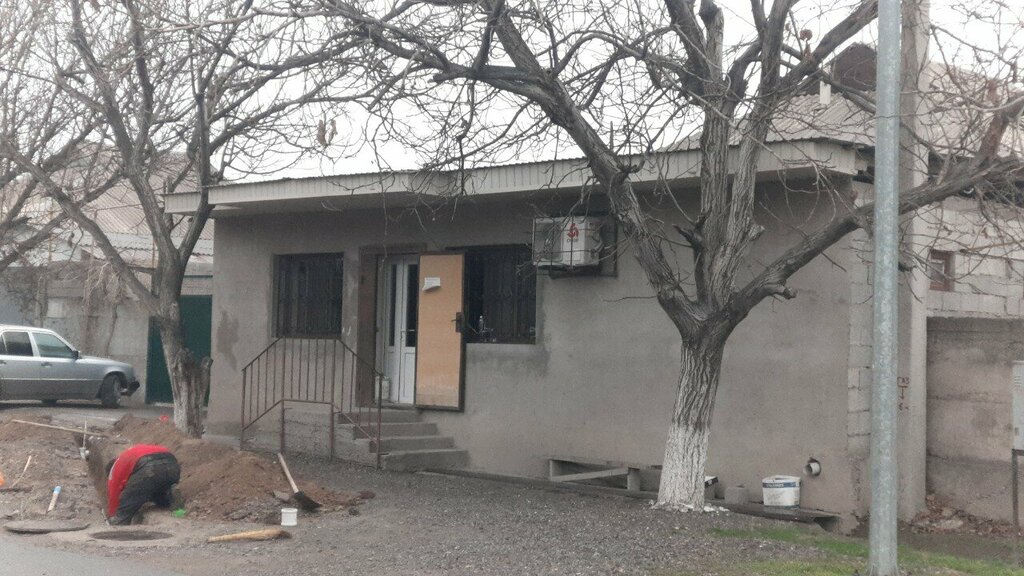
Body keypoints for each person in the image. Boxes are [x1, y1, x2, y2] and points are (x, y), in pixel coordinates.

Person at [106, 444, 183, 525]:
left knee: (128, 499)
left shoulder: (114, 470)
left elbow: (114, 494)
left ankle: (120, 522)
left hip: (148, 466)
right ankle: (169, 494)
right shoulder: (125, 458)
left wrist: (114, 516)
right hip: (172, 464)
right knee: (153, 492)